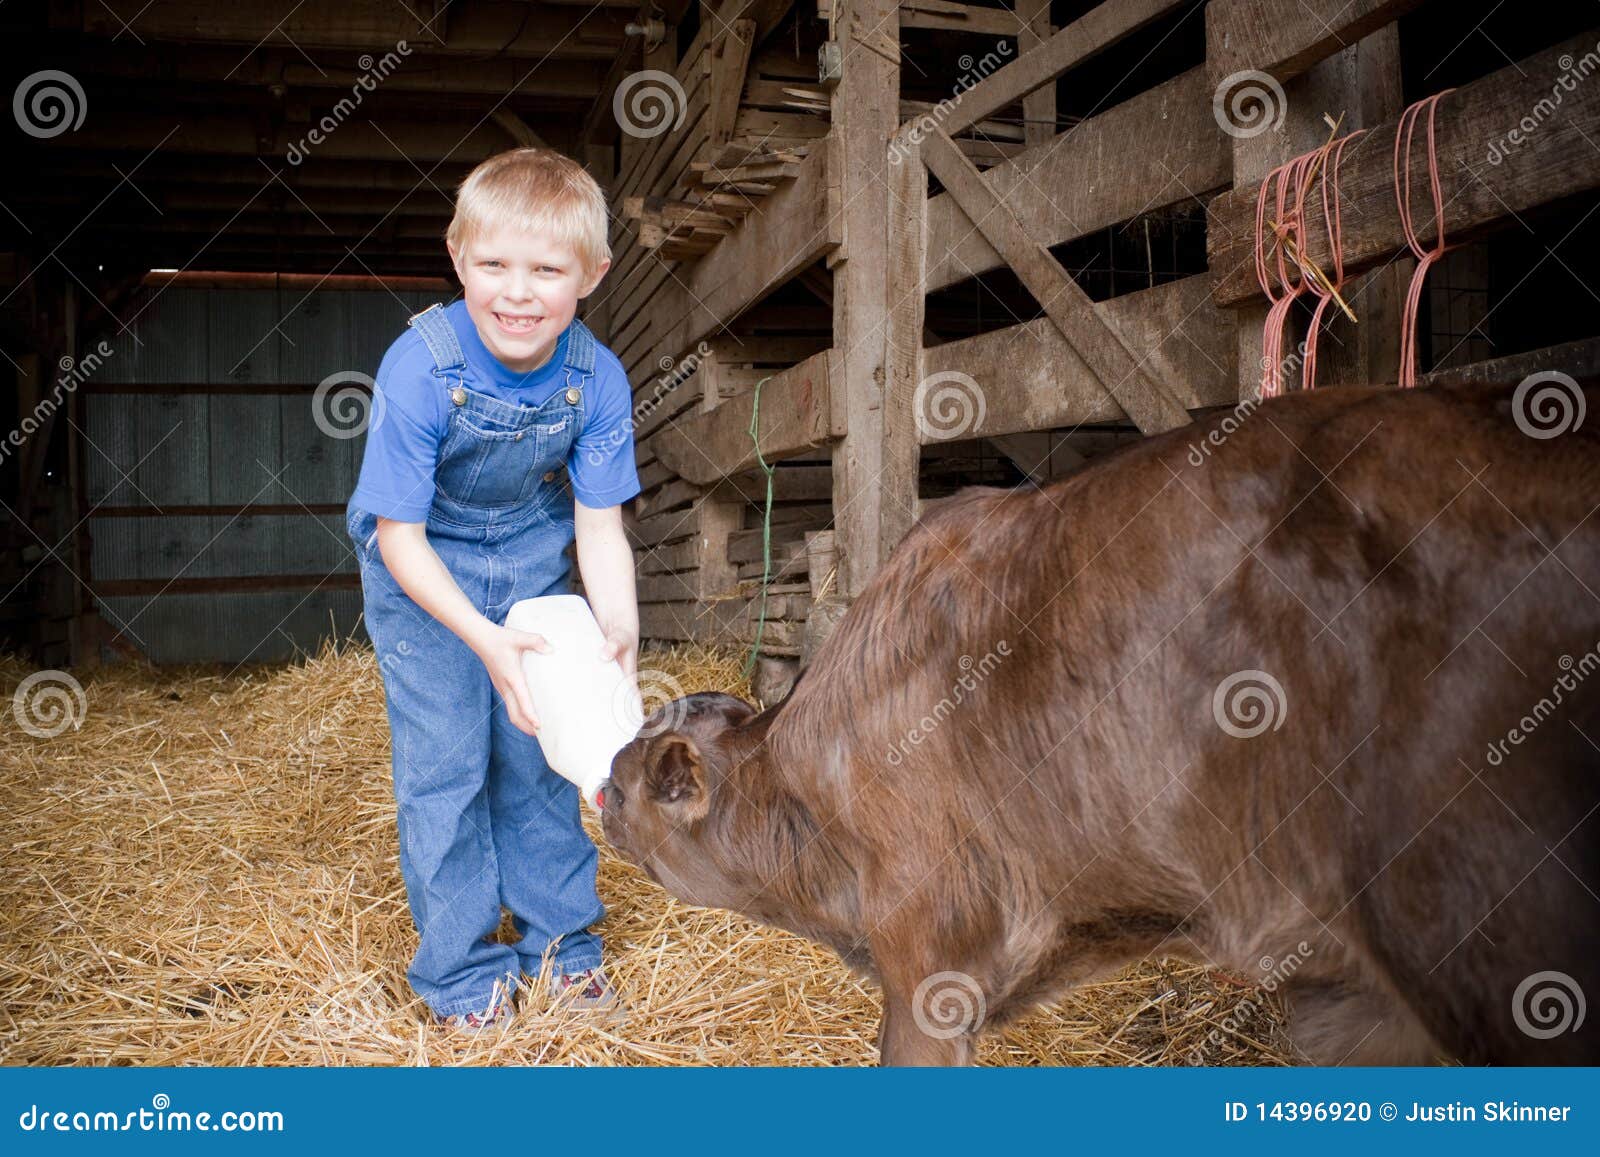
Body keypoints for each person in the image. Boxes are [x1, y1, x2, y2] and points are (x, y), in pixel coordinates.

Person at [345, 147, 640, 1029]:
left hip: (532, 566)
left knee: (540, 761)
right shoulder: (419, 365)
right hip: (422, 574)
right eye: (494, 265)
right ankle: (464, 972)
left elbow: (598, 525)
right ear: (458, 257)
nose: (519, 292)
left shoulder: (599, 378)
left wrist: (617, 630)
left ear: (591, 274)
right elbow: (398, 534)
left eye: (547, 269)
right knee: (447, 765)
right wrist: (485, 641)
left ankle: (565, 949)